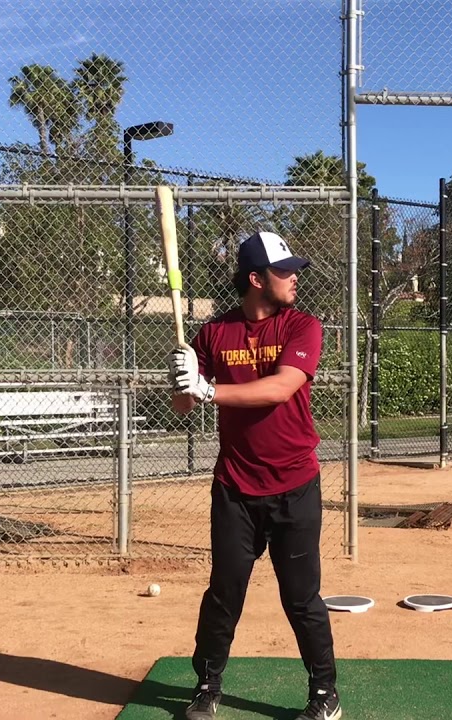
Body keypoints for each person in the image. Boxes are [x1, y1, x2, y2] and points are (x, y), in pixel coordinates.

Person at [167, 230, 342, 720]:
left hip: (295, 484)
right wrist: (181, 377)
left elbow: (281, 388)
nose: (294, 279)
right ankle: (206, 686)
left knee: (302, 597)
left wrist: (208, 391)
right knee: (224, 593)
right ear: (255, 278)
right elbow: (184, 405)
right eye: (284, 271)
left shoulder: (301, 326)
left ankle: (325, 695)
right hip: (235, 489)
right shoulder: (212, 334)